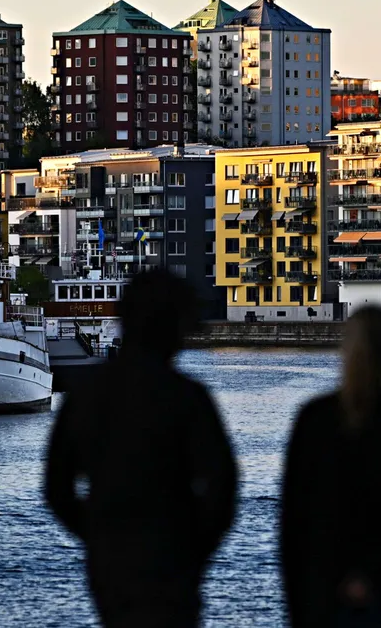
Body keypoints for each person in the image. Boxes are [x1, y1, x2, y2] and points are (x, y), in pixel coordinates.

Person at [45, 268, 238, 628]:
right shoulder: (188, 398)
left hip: (110, 563)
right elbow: (223, 485)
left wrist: (96, 534)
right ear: (171, 329)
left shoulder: (87, 396)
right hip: (173, 557)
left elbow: (57, 488)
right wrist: (196, 547)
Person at [280, 305, 381, 628]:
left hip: (323, 596)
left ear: (344, 349)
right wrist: (375, 572)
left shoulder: (313, 421)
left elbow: (294, 523)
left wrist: (302, 598)